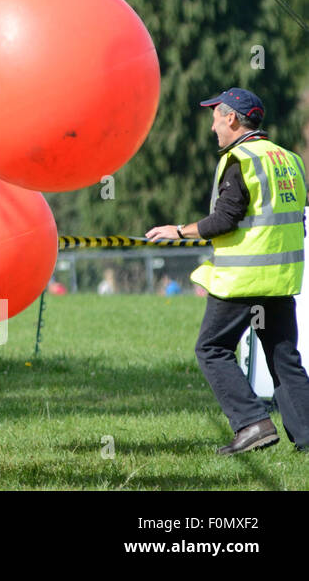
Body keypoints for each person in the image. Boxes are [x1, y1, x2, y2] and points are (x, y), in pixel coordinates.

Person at [146, 87, 309, 455]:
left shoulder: (241, 160)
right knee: (283, 358)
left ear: (232, 118)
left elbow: (226, 219)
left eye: (216, 117)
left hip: (243, 277)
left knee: (212, 348)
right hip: (280, 279)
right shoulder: (289, 160)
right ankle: (307, 436)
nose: (212, 126)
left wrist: (180, 231)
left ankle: (252, 424)